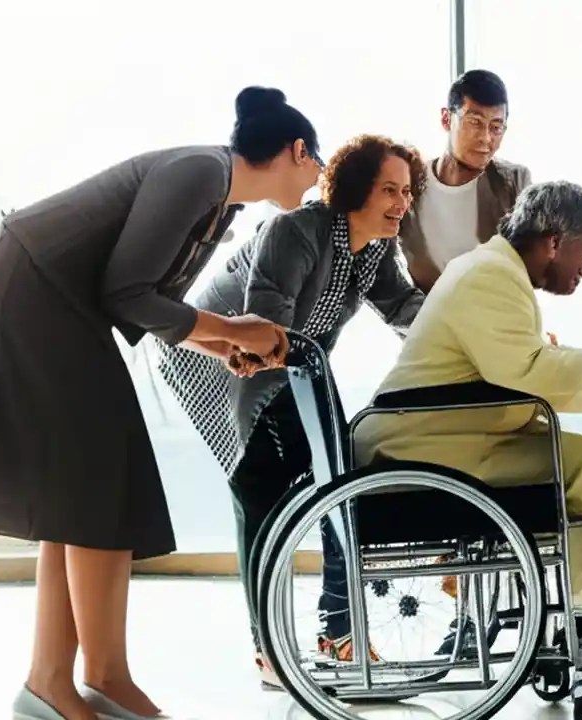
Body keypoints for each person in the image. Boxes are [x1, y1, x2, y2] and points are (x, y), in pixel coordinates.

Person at [0, 86, 318, 720]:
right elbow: (126, 293)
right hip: (36, 288)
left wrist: (223, 342)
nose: (315, 180)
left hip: (46, 291)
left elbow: (150, 307)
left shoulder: (217, 199)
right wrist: (236, 329)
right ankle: (93, 679)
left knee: (85, 489)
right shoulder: (202, 172)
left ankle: (61, 683)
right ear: (295, 149)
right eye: (316, 163)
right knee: (100, 483)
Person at [158, 134, 426, 687]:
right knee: (262, 489)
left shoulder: (374, 247)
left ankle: (336, 632)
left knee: (336, 478)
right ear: (355, 188)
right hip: (224, 357)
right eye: (388, 190)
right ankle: (272, 648)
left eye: (406, 191)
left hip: (296, 360)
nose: (402, 203)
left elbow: (404, 307)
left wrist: (464, 331)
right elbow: (266, 327)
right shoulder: (295, 231)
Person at [354, 180, 582, 614]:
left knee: (578, 459)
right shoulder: (490, 276)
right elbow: (527, 374)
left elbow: (516, 362)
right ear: (554, 242)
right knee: (579, 462)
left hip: (436, 435)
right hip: (420, 447)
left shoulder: (491, 268)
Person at [398, 69, 532, 293]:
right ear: (446, 119)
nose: (486, 138)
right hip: (427, 322)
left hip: (496, 320)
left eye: (496, 127)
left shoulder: (514, 182)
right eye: (475, 122)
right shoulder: (410, 183)